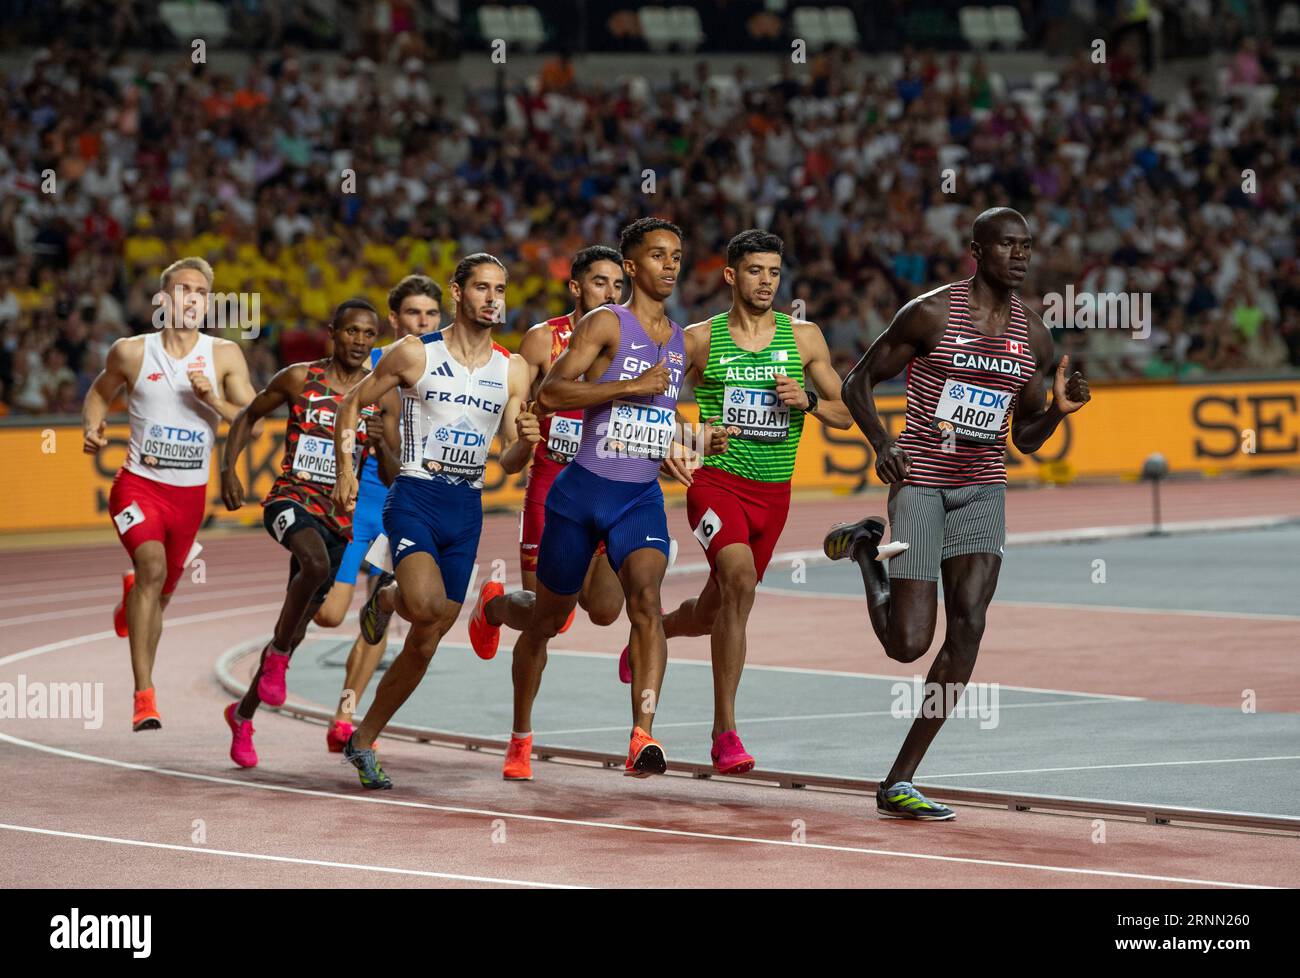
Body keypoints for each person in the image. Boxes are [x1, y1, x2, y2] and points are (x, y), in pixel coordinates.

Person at [827, 207, 1091, 820]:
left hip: (981, 488)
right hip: (920, 482)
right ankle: (866, 550)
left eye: (1027, 247)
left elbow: (1024, 438)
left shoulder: (1034, 334)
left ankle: (899, 780)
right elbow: (856, 383)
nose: (1021, 256)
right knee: (908, 644)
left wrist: (1055, 412)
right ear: (977, 251)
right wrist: (882, 442)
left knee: (967, 630)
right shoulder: (931, 313)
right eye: (1007, 245)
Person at [466, 218, 726, 780]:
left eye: (677, 255)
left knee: (639, 606)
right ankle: (519, 735)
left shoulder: (678, 338)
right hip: (579, 493)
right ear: (633, 267)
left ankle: (642, 737)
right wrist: (629, 386)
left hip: (638, 497)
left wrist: (691, 439)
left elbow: (656, 413)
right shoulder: (606, 323)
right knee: (547, 621)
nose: (671, 264)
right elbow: (553, 391)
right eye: (658, 255)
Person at [642, 228, 853, 774]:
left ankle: (655, 631)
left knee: (716, 612)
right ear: (732, 276)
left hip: (773, 496)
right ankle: (725, 733)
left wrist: (804, 399)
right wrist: (687, 439)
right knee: (738, 583)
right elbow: (654, 401)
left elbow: (843, 411)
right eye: (756, 271)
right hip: (717, 485)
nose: (766, 282)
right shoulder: (698, 339)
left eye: (775, 273)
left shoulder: (804, 338)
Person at [330, 254, 537, 789]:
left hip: (466, 507)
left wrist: (529, 443)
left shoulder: (512, 369)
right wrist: (347, 471)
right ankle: (385, 598)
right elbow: (351, 404)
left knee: (427, 638)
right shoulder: (415, 354)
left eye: (501, 289)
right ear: (456, 293)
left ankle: (364, 739)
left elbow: (510, 458)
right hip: (416, 495)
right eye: (482, 288)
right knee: (422, 606)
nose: (493, 298)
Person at [219, 299, 398, 767]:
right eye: (351, 332)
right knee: (315, 566)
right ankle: (278, 656)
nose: (360, 341)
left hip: (340, 519)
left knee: (298, 625)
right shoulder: (300, 378)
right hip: (291, 500)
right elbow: (247, 416)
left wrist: (380, 442)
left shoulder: (378, 395)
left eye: (368, 334)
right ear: (332, 333)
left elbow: (395, 472)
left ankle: (243, 715)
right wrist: (229, 470)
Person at [82, 257, 256, 731]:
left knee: (156, 596)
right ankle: (144, 696)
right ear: (164, 300)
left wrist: (211, 400)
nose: (192, 298)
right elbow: (100, 392)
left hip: (189, 498)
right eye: (183, 290)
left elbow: (250, 417)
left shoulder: (223, 356)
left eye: (201, 291)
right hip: (137, 486)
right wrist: (93, 426)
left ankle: (130, 600)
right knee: (152, 568)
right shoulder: (132, 352)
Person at [310, 274, 443, 753]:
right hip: (359, 503)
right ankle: (301, 590)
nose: (422, 322)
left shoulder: (451, 367)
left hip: (407, 502)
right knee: (329, 615)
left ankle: (346, 713)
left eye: (430, 314)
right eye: (413, 314)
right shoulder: (369, 364)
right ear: (394, 318)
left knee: (378, 615)